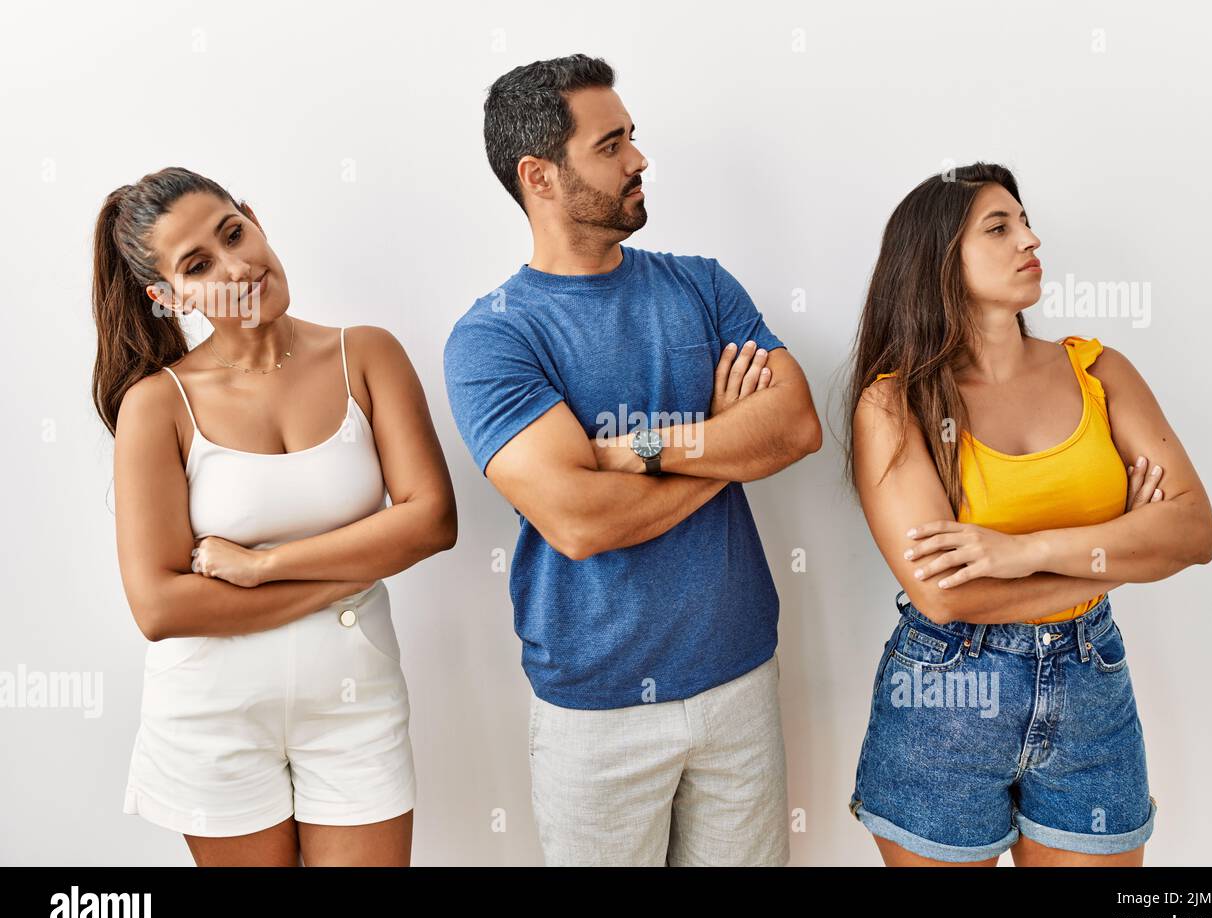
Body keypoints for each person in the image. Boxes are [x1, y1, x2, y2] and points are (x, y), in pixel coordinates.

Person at [443, 55, 822, 865]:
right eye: (611, 145)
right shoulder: (494, 338)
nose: (639, 160)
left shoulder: (702, 286)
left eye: (632, 138)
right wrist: (724, 447)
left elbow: (794, 426)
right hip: (596, 711)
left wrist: (639, 451)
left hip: (739, 681)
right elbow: (579, 522)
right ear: (539, 176)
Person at [841, 162, 1212, 866]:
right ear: (938, 261)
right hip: (945, 698)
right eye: (1000, 227)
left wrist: (1020, 551)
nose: (1031, 238)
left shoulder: (1099, 371)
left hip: (1091, 689)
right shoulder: (894, 406)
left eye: (1025, 221)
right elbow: (947, 595)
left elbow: (1195, 533)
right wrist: (1121, 554)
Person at [93, 167, 457, 865]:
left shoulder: (367, 354)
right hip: (212, 719)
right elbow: (161, 606)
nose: (238, 266)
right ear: (168, 298)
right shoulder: (158, 405)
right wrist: (350, 574)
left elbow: (433, 521)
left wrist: (262, 566)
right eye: (199, 265)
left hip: (357, 708)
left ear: (255, 218)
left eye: (235, 233)